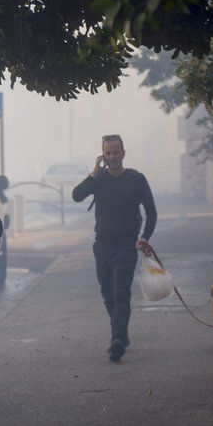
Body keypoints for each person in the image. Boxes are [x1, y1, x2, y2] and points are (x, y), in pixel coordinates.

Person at [72, 135, 157, 363]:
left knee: (121, 293)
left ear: (123, 153)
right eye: (108, 153)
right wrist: (94, 172)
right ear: (103, 156)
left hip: (126, 247)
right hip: (102, 247)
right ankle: (120, 331)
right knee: (108, 294)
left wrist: (144, 238)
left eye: (116, 152)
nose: (112, 157)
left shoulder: (136, 179)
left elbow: (152, 212)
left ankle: (117, 339)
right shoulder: (99, 180)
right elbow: (76, 195)